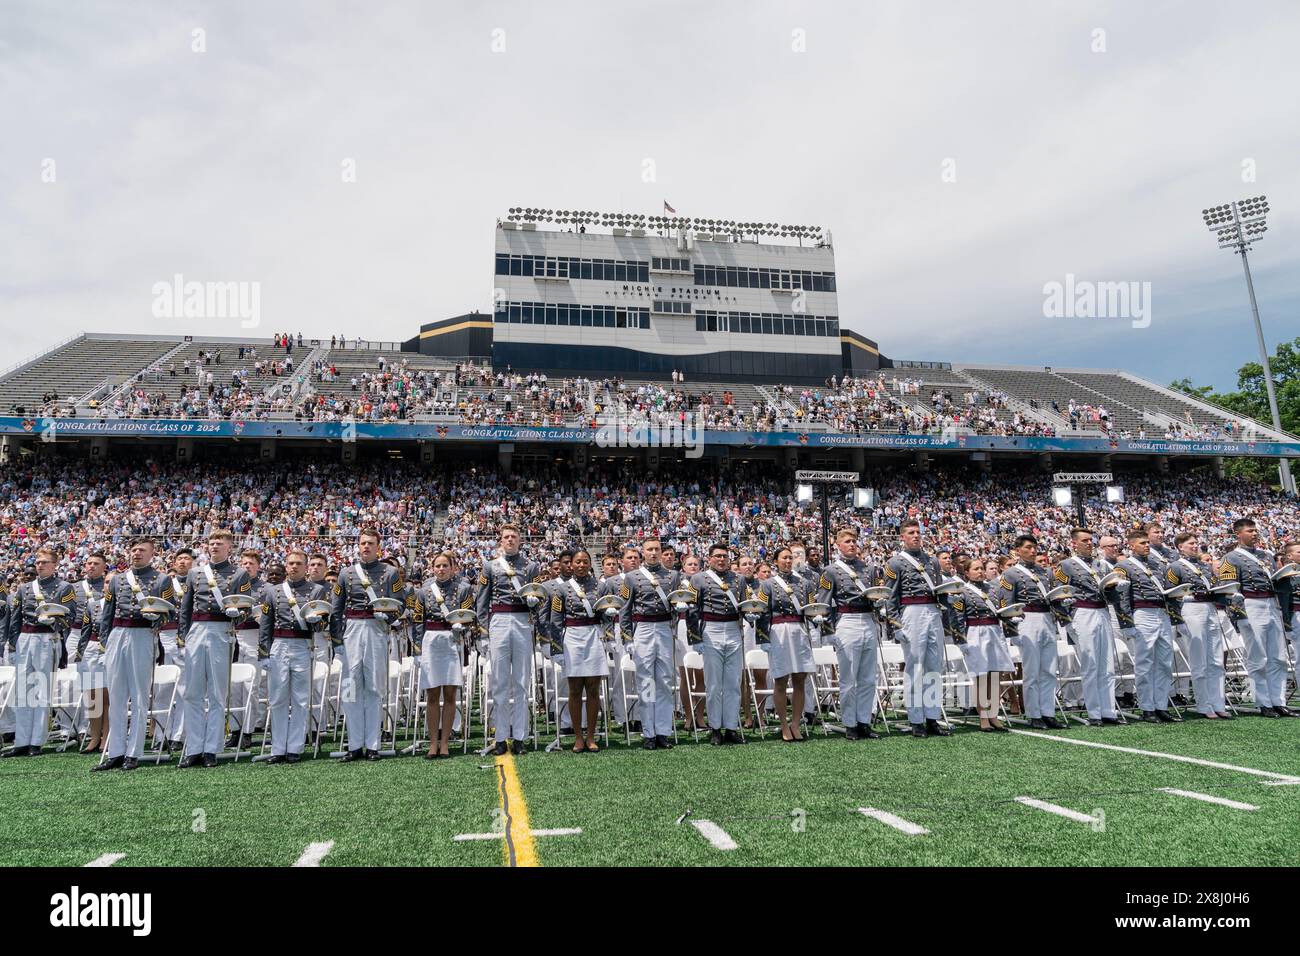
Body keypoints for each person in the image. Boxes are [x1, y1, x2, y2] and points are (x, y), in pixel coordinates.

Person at [95, 538, 174, 770]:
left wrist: (157, 618)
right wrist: (104, 642)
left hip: (142, 634)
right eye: (134, 550)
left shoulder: (162, 580)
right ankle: (116, 751)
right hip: (118, 633)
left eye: (142, 550)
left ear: (152, 554)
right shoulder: (118, 580)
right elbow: (108, 613)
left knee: (139, 696)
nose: (137, 553)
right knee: (117, 696)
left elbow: (170, 612)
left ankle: (134, 752)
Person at [178, 531, 253, 768]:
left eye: (220, 543)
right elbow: (186, 608)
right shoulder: (195, 573)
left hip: (222, 631)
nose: (215, 546)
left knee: (217, 693)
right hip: (197, 629)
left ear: (229, 547)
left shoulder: (239, 574)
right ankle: (194, 748)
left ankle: (211, 748)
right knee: (192, 692)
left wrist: (238, 616)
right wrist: (183, 636)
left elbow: (246, 608)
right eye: (212, 543)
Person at [330, 528, 405, 760]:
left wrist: (390, 618)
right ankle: (354, 745)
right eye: (362, 543)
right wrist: (337, 641)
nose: (366, 547)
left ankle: (372, 744)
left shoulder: (390, 572)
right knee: (350, 688)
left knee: (373, 687)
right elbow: (336, 609)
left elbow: (400, 604)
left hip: (376, 629)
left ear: (378, 546)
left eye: (370, 543)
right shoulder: (346, 573)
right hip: (352, 628)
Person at [474, 525, 543, 756]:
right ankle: (501, 736)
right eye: (506, 537)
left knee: (522, 681)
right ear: (500, 541)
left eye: (514, 536)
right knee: (500, 682)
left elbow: (541, 597)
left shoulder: (532, 566)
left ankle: (520, 736)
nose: (510, 540)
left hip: (523, 620)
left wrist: (535, 602)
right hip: (499, 620)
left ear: (520, 540)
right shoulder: (490, 566)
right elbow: (482, 602)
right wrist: (483, 633)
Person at [3, 547, 76, 758]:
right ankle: (21, 741)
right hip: (26, 637)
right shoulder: (24, 588)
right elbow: (15, 618)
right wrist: (14, 643)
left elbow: (69, 617)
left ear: (54, 565)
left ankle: (36, 741)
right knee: (23, 691)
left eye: (44, 562)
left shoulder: (64, 588)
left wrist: (55, 622)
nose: (40, 565)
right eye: (38, 562)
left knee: (42, 690)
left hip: (47, 638)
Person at [1218, 518, 1295, 717]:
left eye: (1255, 530)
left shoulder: (1266, 555)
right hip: (1250, 605)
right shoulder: (1231, 558)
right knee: (1258, 657)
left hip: (1271, 603)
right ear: (1238, 534)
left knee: (1278, 657)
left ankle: (1279, 701)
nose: (1254, 534)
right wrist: (1239, 616)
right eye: (1250, 531)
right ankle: (1263, 702)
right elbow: (1229, 589)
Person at [257, 549, 326, 763]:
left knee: (300, 698)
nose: (294, 566)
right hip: (278, 645)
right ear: (286, 566)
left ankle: (295, 747)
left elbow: (323, 624)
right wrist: (264, 653)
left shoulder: (316, 591)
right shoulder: (273, 592)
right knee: (277, 698)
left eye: (299, 563)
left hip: (303, 644)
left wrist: (317, 622)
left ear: (306, 567)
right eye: (291, 563)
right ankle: (278, 748)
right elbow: (266, 625)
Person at [884, 519, 951, 737]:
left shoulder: (932, 561)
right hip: (911, 612)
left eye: (918, 532)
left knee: (934, 666)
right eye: (911, 533)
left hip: (932, 611)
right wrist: (895, 624)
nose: (915, 536)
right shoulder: (895, 563)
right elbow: (890, 596)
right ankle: (915, 719)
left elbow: (940, 590)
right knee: (915, 667)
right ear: (902, 537)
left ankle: (932, 717)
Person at [616, 537, 683, 750]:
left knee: (664, 680)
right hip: (642, 629)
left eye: (657, 549)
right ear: (643, 553)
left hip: (664, 627)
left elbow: (677, 601)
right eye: (649, 550)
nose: (653, 553)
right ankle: (648, 733)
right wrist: (627, 638)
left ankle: (663, 731)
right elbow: (624, 609)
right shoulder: (631, 577)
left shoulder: (673, 576)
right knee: (646, 681)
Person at [817, 528, 883, 740]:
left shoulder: (870, 569)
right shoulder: (830, 571)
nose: (852, 544)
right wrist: (827, 632)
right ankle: (850, 723)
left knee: (868, 677)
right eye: (847, 541)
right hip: (847, 622)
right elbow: (823, 603)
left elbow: (876, 593)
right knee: (848, 678)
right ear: (838, 545)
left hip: (868, 620)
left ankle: (864, 721)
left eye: (854, 541)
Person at [995, 534, 1066, 730]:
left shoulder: (1045, 573)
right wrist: (1012, 631)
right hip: (1026, 620)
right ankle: (1034, 713)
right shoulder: (1010, 574)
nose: (1033, 551)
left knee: (1049, 669)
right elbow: (1005, 603)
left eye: (1035, 547)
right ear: (1018, 550)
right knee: (1032, 671)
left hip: (1046, 619)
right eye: (1028, 547)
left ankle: (1048, 712)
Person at [546, 550, 613, 752]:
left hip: (593, 636)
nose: (582, 565)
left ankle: (591, 736)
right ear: (571, 565)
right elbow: (555, 620)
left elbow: (606, 614)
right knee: (574, 690)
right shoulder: (562, 589)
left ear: (590, 564)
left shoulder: (601, 586)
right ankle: (577, 737)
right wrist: (556, 649)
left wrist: (608, 624)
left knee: (593, 690)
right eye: (578, 562)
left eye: (585, 561)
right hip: (572, 638)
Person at [1114, 528, 1181, 723]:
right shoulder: (1124, 566)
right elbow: (1122, 597)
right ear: (1131, 545)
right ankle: (1147, 707)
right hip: (1142, 613)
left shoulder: (1158, 565)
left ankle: (1161, 705)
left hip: (1162, 612)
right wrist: (1126, 622)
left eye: (1147, 543)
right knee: (1144, 662)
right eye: (1142, 543)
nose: (1146, 546)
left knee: (1164, 662)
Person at [1056, 528, 1120, 726]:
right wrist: (1066, 622)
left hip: (1102, 611)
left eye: (1091, 540)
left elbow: (1111, 594)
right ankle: (1094, 711)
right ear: (1074, 543)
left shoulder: (1101, 564)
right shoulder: (1066, 565)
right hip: (1082, 613)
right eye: (1084, 540)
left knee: (1107, 664)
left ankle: (1109, 710)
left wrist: (1115, 589)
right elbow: (1060, 595)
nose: (1089, 543)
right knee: (1090, 663)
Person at [1166, 532, 1231, 719]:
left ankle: (1218, 702)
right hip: (1191, 608)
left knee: (1216, 659)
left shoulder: (1204, 566)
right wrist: (1177, 619)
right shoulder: (1175, 567)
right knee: (1199, 659)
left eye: (1196, 543)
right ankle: (1204, 704)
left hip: (1210, 608)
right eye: (1191, 543)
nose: (1195, 546)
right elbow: (1170, 594)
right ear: (1180, 547)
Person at [755, 547, 815, 741]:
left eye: (791, 557)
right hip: (778, 632)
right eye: (784, 558)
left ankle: (796, 723)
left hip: (799, 631)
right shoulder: (767, 585)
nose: (788, 561)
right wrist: (762, 638)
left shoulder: (805, 583)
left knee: (800, 679)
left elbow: (811, 608)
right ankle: (783, 725)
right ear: (776, 561)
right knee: (780, 680)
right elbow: (762, 613)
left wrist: (817, 620)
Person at [689, 544, 746, 745]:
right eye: (717, 556)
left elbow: (745, 605)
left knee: (733, 683)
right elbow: (692, 610)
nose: (721, 560)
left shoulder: (738, 580)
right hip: (710, 629)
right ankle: (715, 727)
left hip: (733, 628)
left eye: (724, 556)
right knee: (713, 684)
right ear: (709, 558)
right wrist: (694, 638)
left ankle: (731, 727)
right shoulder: (698, 579)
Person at [416, 552, 472, 759]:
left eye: (445, 566)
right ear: (432, 568)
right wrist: (417, 650)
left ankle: (445, 742)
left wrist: (462, 627)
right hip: (431, 640)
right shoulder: (423, 592)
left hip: (452, 640)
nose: (441, 569)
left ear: (452, 567)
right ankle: (433, 743)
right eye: (437, 566)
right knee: (432, 695)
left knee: (450, 695)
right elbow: (417, 621)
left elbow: (469, 617)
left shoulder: (464, 589)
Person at [947, 556, 1012, 731]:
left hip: (994, 632)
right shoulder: (961, 591)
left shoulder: (993, 589)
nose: (980, 572)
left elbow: (1002, 610)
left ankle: (994, 714)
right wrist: (961, 640)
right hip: (975, 634)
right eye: (975, 569)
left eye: (981, 568)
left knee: (996, 676)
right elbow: (957, 618)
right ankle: (983, 716)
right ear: (966, 573)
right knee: (981, 677)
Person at [69, 553, 108, 752]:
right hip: (81, 635)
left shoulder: (111, 586)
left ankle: (106, 735)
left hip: (106, 641)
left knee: (105, 693)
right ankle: (86, 730)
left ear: (104, 567)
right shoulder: (75, 587)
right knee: (87, 689)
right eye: (88, 563)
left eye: (96, 564)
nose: (91, 566)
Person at [228, 549, 266, 748]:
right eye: (244, 563)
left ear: (258, 566)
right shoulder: (233, 585)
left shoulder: (265, 588)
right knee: (234, 687)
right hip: (233, 635)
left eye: (251, 563)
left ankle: (248, 731)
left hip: (254, 635)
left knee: (250, 686)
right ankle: (235, 729)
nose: (247, 567)